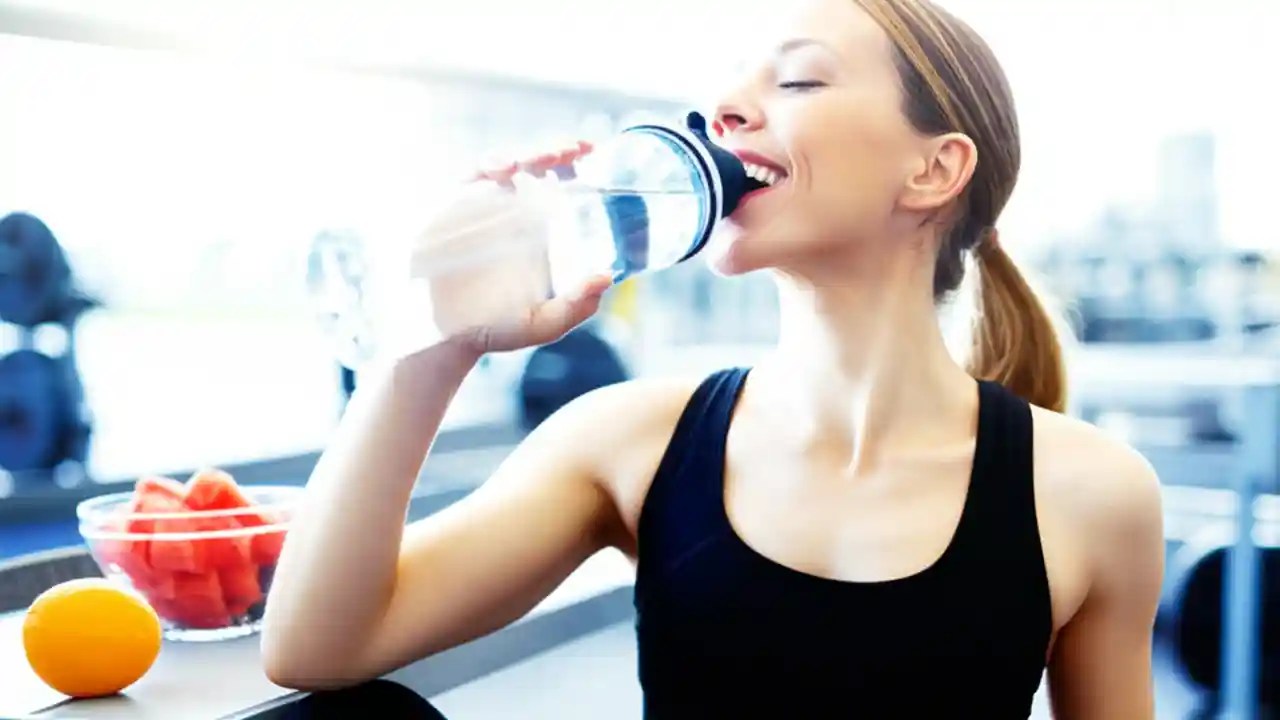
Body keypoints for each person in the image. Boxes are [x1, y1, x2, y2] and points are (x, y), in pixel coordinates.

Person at [261, 0, 1165, 717]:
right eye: (728, 89)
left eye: (800, 82)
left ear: (932, 171)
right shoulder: (630, 440)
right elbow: (317, 646)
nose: (721, 111)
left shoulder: (1091, 492)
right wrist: (440, 342)